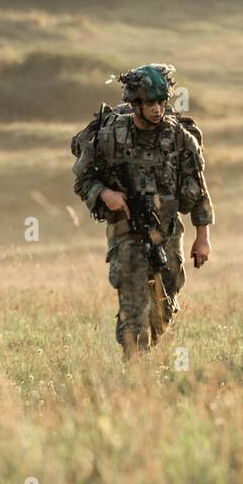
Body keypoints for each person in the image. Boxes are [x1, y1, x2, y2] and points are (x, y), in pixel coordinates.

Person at [71, 63, 213, 359]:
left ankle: (143, 346)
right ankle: (135, 369)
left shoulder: (178, 139)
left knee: (163, 307)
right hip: (126, 231)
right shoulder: (110, 137)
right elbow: (84, 179)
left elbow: (197, 190)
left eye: (162, 103)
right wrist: (105, 193)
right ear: (135, 104)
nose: (158, 110)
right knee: (135, 306)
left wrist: (203, 237)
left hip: (168, 232)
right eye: (150, 103)